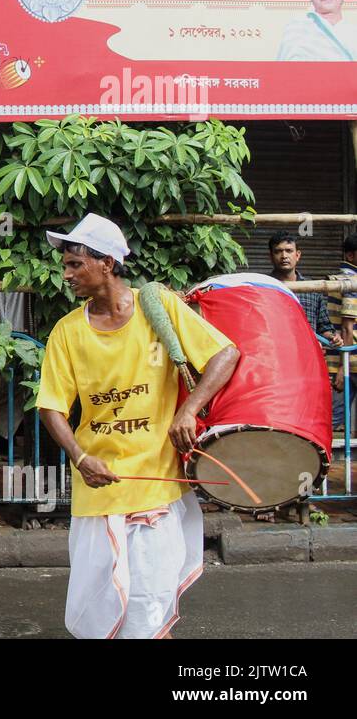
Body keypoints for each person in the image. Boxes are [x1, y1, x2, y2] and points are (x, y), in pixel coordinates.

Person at [36, 214, 240, 639]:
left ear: (107, 263)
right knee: (100, 617)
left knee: (149, 615)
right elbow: (52, 406)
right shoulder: (67, 332)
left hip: (156, 490)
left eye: (76, 264)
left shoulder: (159, 307)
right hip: (98, 491)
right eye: (66, 265)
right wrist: (79, 455)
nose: (67, 273)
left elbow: (225, 354)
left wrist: (188, 411)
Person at [266, 231, 337, 344]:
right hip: (274, 353)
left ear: (297, 255)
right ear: (270, 256)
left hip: (306, 354)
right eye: (278, 251)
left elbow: (324, 327)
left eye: (289, 251)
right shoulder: (263, 288)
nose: (284, 256)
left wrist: (333, 338)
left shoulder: (312, 289)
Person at [325, 235, 357, 431]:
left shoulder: (341, 278)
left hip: (346, 362)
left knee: (336, 415)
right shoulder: (351, 282)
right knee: (335, 417)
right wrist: (342, 369)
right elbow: (347, 327)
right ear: (351, 255)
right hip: (350, 362)